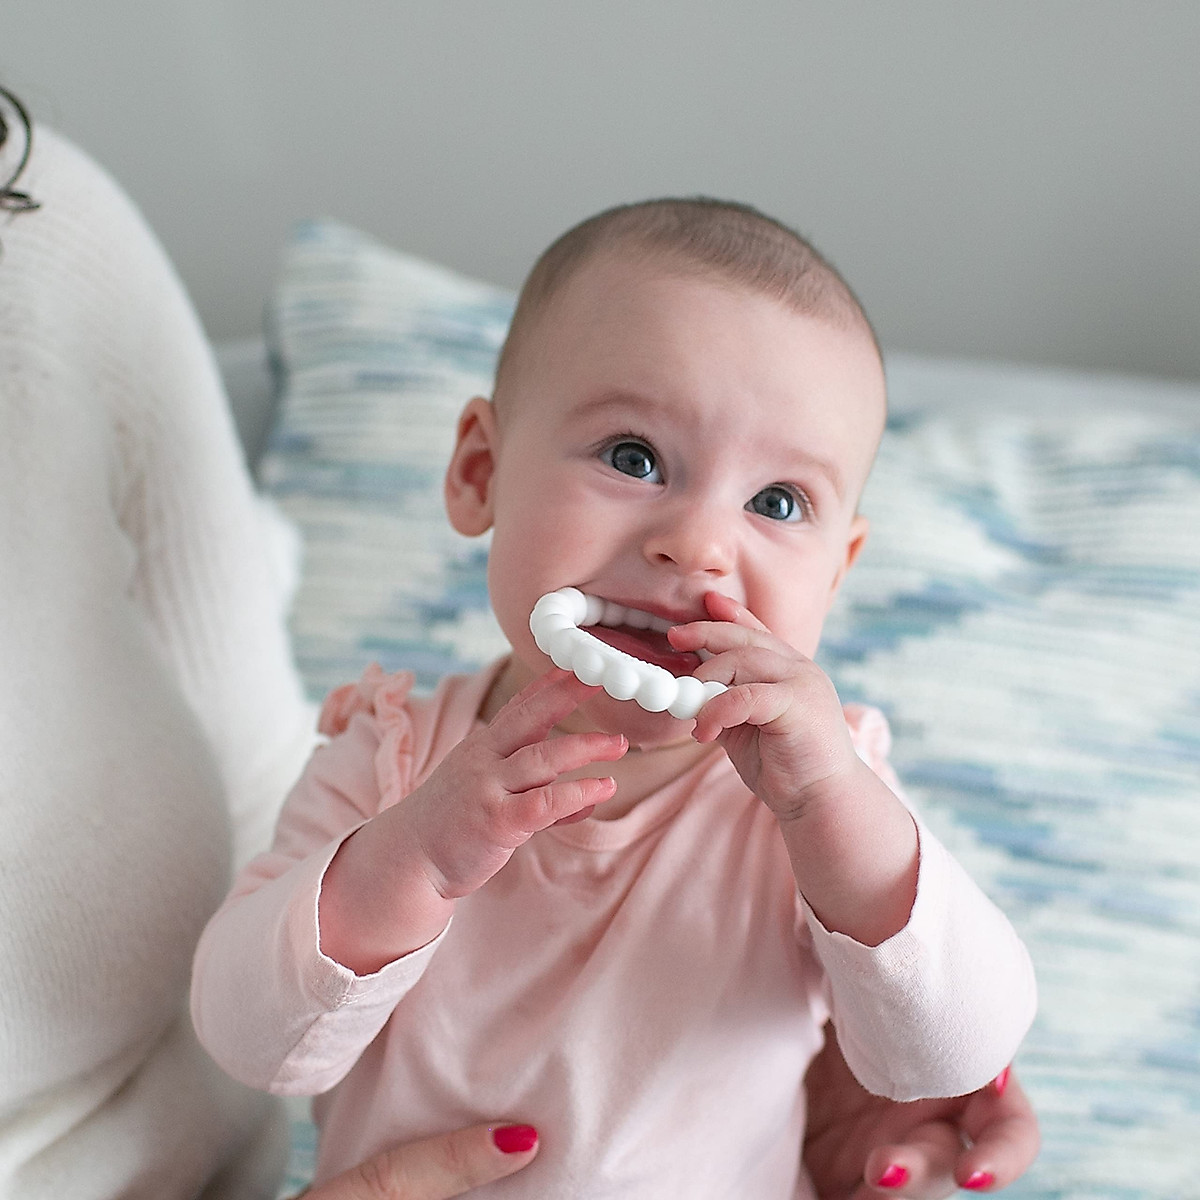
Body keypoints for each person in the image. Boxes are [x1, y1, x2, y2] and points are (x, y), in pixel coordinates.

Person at [191, 198, 1038, 1198]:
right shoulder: (392, 757)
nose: (699, 543)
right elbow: (247, 1040)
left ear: (836, 574)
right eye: (633, 457)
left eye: (777, 503)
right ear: (480, 472)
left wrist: (838, 815)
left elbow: (949, 1054)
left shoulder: (819, 800)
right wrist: (411, 857)